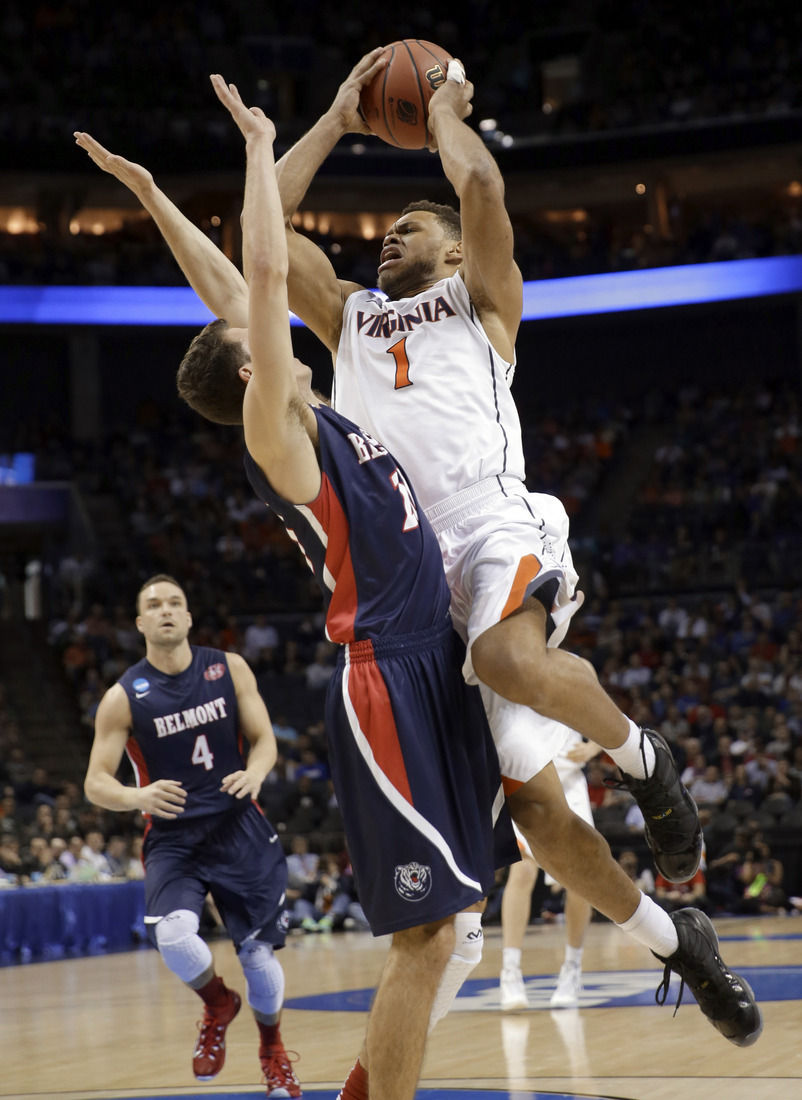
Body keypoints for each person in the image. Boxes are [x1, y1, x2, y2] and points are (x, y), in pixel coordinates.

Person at [73, 59, 761, 1053]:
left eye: (412, 224)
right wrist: (333, 117)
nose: (393, 230)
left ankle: (645, 761)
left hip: (492, 527)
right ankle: (675, 939)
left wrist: (442, 113)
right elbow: (252, 257)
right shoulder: (342, 320)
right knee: (532, 808)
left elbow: (480, 189)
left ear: (448, 250)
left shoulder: (481, 301)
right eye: (387, 224)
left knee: (508, 660)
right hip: (411, 589)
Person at [84, 75, 517, 1100]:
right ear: (250, 372)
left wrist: (151, 195)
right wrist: (267, 139)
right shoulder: (275, 427)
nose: (259, 316)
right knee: (424, 935)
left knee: (452, 925)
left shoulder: (315, 411)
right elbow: (265, 269)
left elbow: (228, 286)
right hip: (383, 677)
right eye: (255, 333)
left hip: (427, 655)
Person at [84, 575, 301, 1097]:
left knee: (257, 957)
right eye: (154, 606)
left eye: (175, 603)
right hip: (174, 838)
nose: (165, 611)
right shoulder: (122, 697)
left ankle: (273, 1051)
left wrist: (256, 772)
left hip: (237, 827)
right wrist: (136, 797)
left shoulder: (228, 667)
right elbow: (95, 783)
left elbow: (265, 739)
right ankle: (218, 1003)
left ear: (188, 617)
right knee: (175, 938)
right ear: (139, 623)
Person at [499, 728, 599, 1011]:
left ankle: (572, 967)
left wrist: (593, 747)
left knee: (579, 880)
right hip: (525, 782)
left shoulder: (575, 682)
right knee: (522, 870)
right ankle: (510, 972)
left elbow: (609, 717)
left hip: (567, 782)